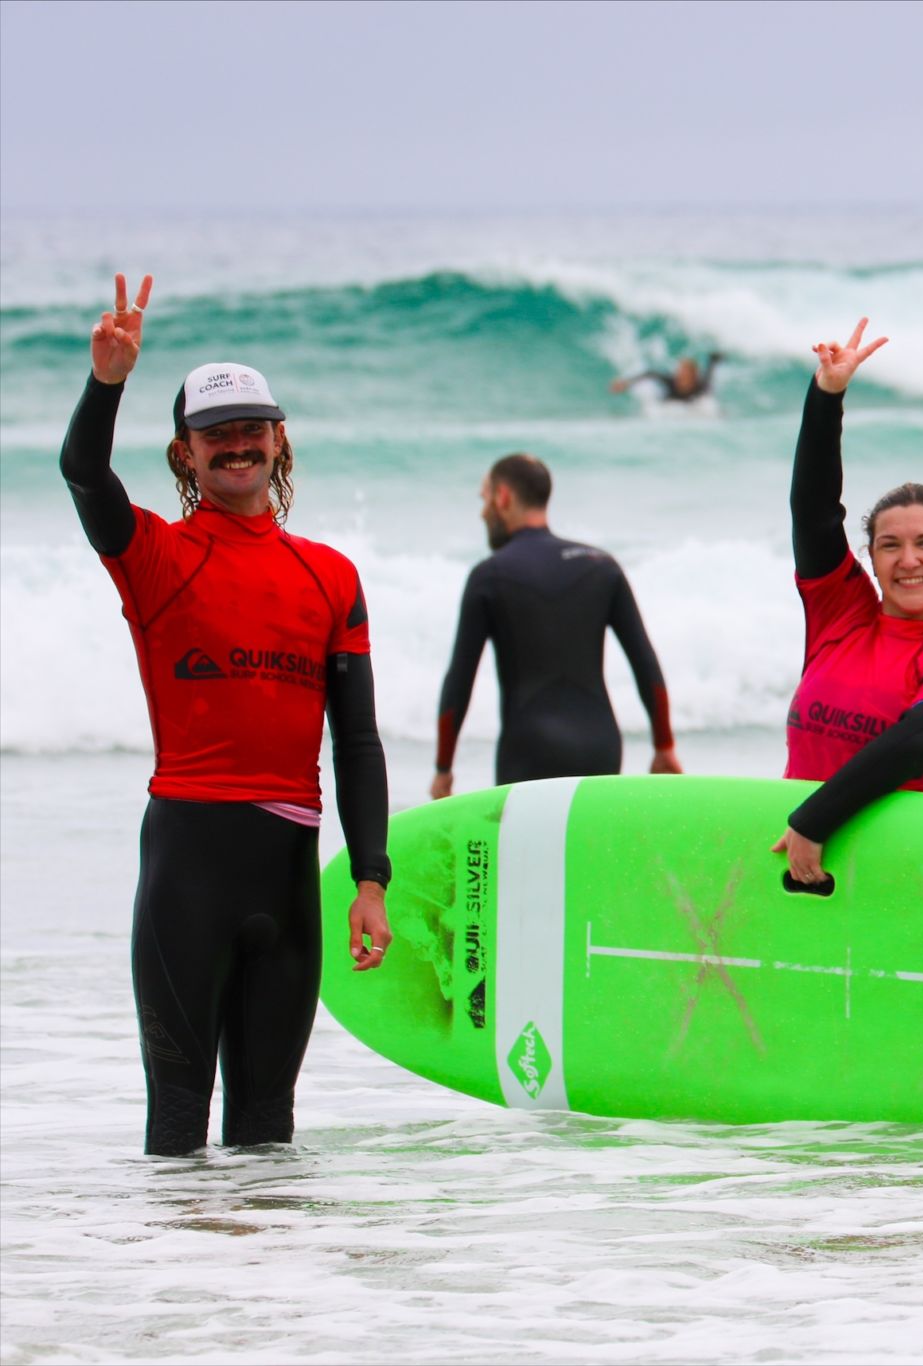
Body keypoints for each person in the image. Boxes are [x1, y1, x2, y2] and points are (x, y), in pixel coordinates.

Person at [60, 273, 394, 1157]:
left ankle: (261, 1299)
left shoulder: (331, 576)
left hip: (289, 873)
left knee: (268, 1135)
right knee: (176, 1127)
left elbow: (355, 741)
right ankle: (174, 1293)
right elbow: (83, 474)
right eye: (216, 435)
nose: (236, 447)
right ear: (184, 455)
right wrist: (108, 382)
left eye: (252, 429)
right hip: (188, 866)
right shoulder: (158, 559)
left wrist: (371, 879)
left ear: (280, 441)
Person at [772, 319, 923, 884]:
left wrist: (815, 819)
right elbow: (814, 511)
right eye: (889, 546)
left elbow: (919, 739)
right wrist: (827, 396)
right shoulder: (841, 615)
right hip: (795, 873)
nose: (908, 560)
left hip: (903, 880)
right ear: (870, 558)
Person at [431, 453, 682, 797]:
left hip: (528, 753)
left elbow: (459, 680)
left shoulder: (489, 576)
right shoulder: (601, 566)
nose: (482, 511)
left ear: (503, 497)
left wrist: (443, 769)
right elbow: (645, 662)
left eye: (484, 498)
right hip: (600, 748)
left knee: (525, 851)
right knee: (591, 850)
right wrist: (664, 746)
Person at [609, 352, 723, 402]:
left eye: (686, 374)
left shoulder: (701, 386)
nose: (681, 377)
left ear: (694, 376)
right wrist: (626, 383)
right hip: (669, 405)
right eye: (680, 373)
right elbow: (651, 374)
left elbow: (710, 370)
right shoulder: (671, 381)